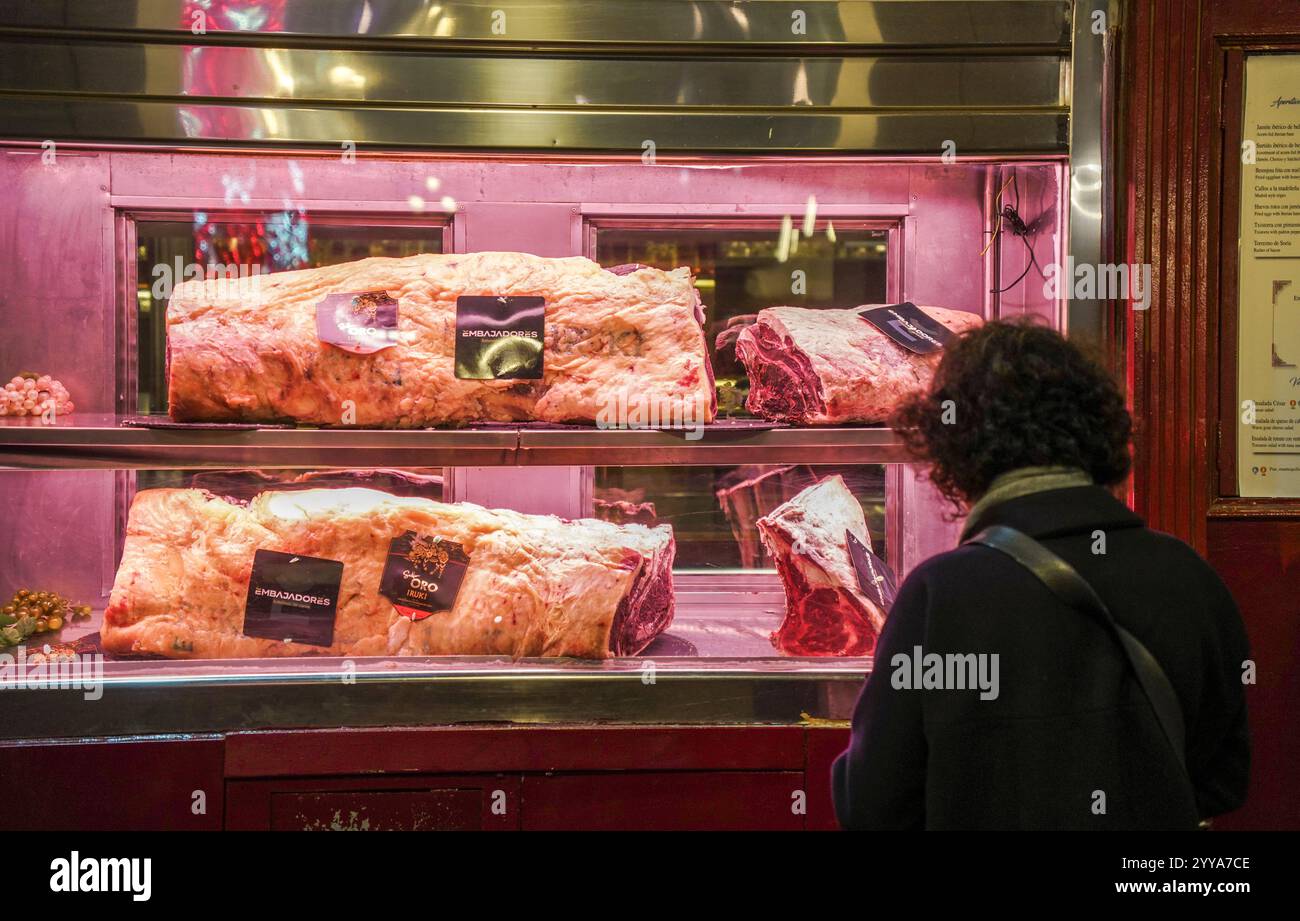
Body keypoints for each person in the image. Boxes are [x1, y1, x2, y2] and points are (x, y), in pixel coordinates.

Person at [831, 320, 1250, 830]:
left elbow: (873, 804)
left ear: (956, 447)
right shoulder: (1188, 578)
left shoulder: (942, 595)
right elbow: (1224, 780)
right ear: (1098, 429)